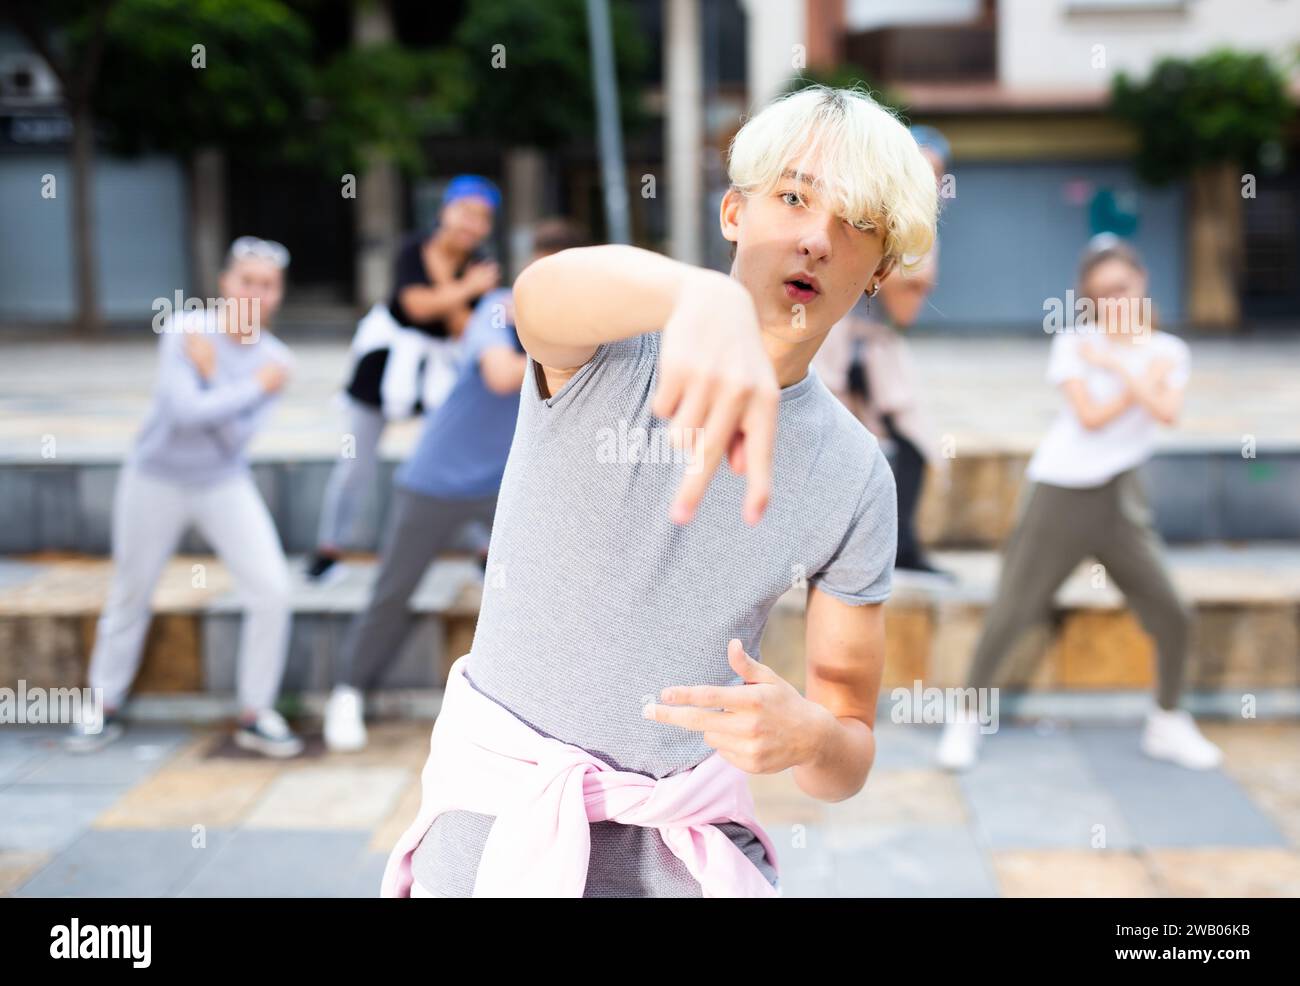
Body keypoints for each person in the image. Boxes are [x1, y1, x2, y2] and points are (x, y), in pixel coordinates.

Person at [380, 84, 939, 897]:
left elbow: (846, 745)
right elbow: (537, 298)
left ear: (882, 268)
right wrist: (696, 295)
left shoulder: (855, 474)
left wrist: (813, 739)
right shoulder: (614, 349)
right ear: (734, 212)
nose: (818, 238)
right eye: (793, 198)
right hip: (495, 833)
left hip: (684, 855)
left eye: (857, 222)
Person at [935, 235, 1223, 772]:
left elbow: (1168, 413)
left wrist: (1119, 366)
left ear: (1141, 281)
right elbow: (1090, 418)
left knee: (1172, 613)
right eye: (1101, 294)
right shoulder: (1074, 342)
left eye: (1122, 287)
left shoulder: (1169, 351)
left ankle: (1168, 720)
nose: (1114, 301)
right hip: (1061, 491)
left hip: (1122, 497)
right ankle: (967, 718)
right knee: (1013, 609)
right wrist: (1137, 377)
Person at [323, 219, 587, 753]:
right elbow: (501, 375)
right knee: (393, 591)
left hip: (504, 487)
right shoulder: (496, 311)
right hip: (435, 479)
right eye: (539, 273)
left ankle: (545, 713)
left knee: (555, 589)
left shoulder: (584, 330)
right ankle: (347, 692)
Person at [67, 237, 303, 758]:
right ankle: (103, 703)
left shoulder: (277, 361)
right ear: (225, 283)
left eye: (267, 285)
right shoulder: (185, 329)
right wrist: (245, 388)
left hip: (223, 481)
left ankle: (256, 711)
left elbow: (232, 441)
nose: (255, 293)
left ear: (279, 293)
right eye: (246, 281)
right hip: (155, 478)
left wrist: (212, 376)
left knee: (272, 590)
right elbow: (183, 414)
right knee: (131, 590)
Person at [305, 175, 502, 584]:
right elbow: (415, 306)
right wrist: (463, 288)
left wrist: (447, 285)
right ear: (445, 211)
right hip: (383, 367)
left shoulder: (480, 264)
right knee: (355, 463)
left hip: (438, 372)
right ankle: (329, 548)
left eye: (482, 217)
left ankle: (484, 550)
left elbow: (467, 329)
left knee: (447, 457)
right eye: (465, 211)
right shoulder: (414, 248)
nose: (472, 223)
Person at [813, 123, 951, 577]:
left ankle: (897, 547)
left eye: (935, 172)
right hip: (836, 343)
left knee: (911, 442)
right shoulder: (859, 209)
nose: (928, 180)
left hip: (875, 350)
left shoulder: (920, 231)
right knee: (835, 443)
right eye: (920, 167)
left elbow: (906, 307)